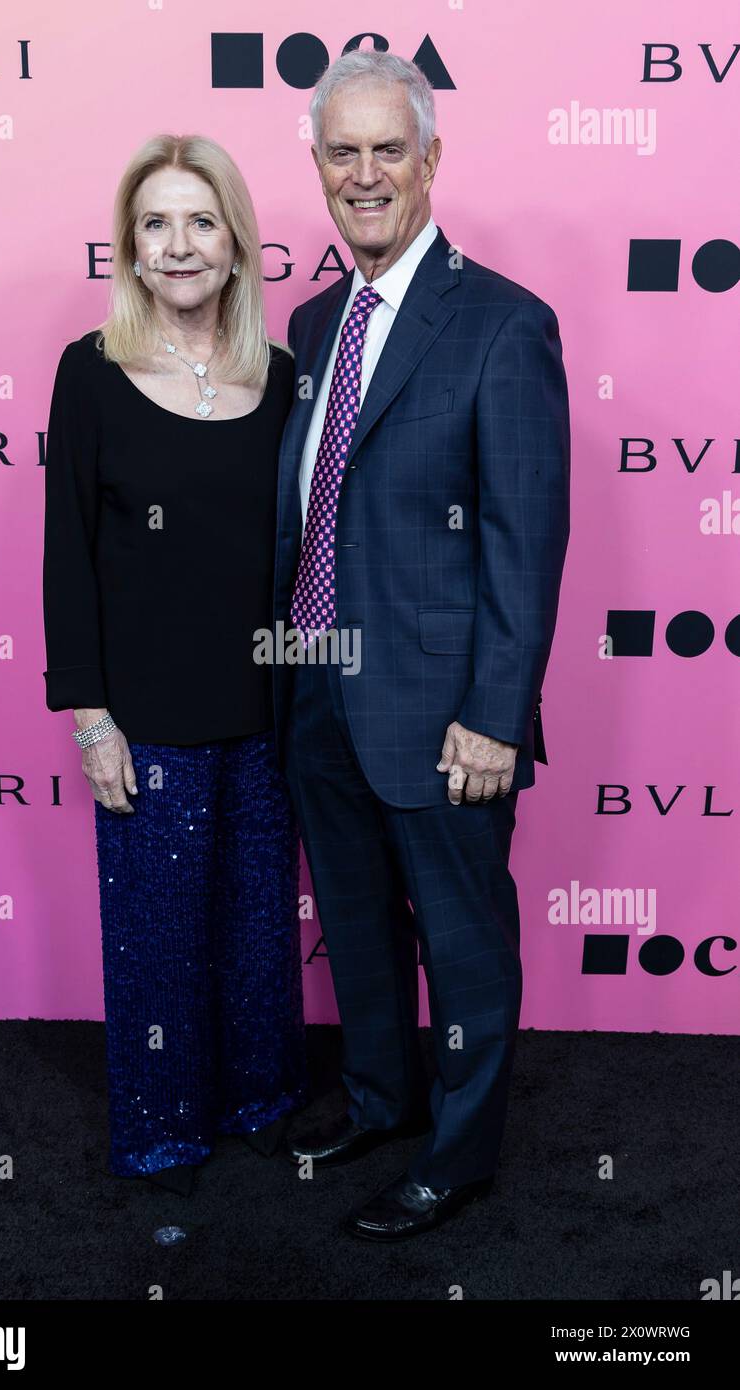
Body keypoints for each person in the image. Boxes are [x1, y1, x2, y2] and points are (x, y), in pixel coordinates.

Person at [273, 50, 571, 1239]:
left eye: (386, 149)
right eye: (340, 151)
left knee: (461, 943)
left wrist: (494, 715)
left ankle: (458, 1154)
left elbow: (523, 539)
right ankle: (379, 1098)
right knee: (353, 923)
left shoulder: (502, 323)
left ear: (430, 158)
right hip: (316, 692)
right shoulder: (310, 323)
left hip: (445, 711)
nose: (363, 174)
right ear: (317, 165)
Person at [42, 134, 308, 1198]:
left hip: (269, 711)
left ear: (237, 242)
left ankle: (259, 1098)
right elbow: (66, 554)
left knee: (257, 930)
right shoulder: (90, 372)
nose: (180, 243)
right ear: (130, 246)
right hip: (146, 719)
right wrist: (91, 717)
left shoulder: (281, 379)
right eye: (156, 222)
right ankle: (162, 1130)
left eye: (202, 220)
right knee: (157, 941)